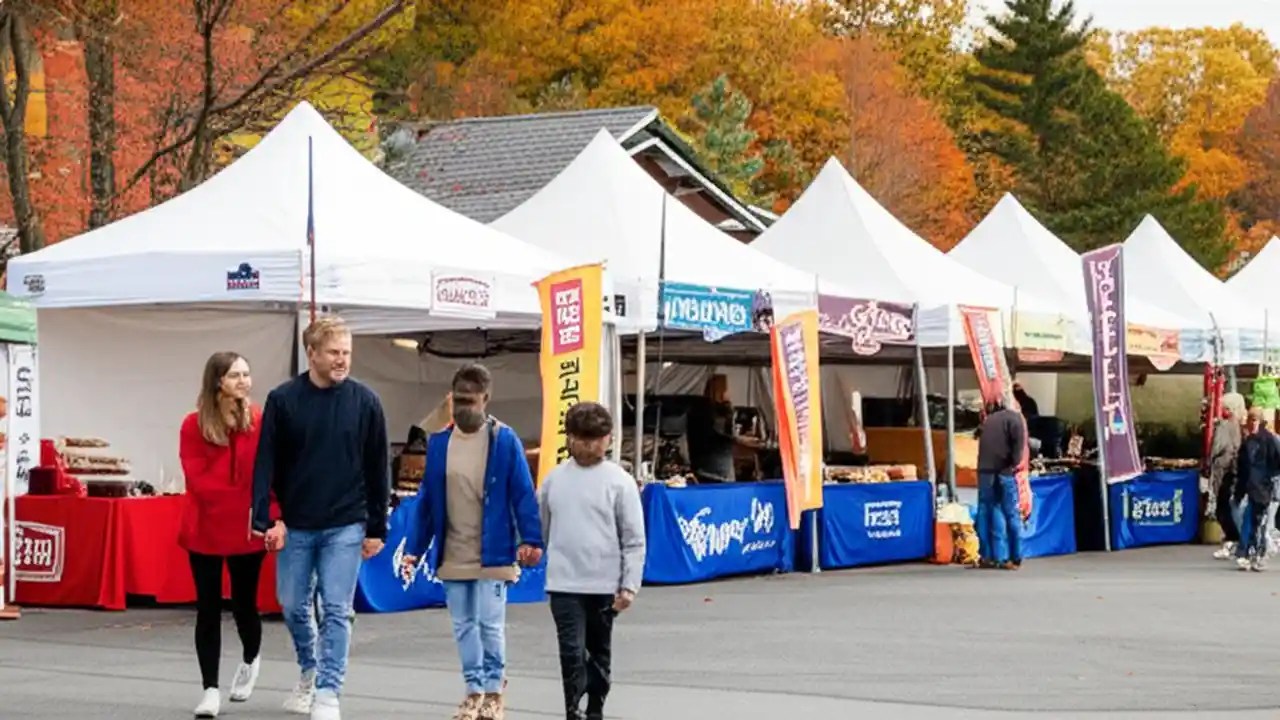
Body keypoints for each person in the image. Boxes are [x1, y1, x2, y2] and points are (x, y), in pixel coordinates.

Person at [251, 316, 390, 720]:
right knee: (292, 604)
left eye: (347, 352)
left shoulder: (366, 402)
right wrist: (265, 517)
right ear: (311, 353)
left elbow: (378, 466)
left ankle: (329, 689)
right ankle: (310, 668)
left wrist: (377, 527)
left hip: (346, 523)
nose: (342, 360)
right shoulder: (283, 400)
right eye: (333, 352)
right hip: (296, 522)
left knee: (336, 607)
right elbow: (266, 463)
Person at [401, 363, 543, 720]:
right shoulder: (438, 443)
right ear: (451, 399)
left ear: (486, 400)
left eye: (472, 401)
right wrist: (414, 550)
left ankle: (495, 689)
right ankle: (472, 690)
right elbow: (427, 502)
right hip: (453, 549)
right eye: (459, 400)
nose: (465, 408)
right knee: (463, 624)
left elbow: (523, 493)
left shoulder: (504, 440)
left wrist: (531, 538)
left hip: (493, 548)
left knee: (489, 623)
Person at [179, 352, 278, 719]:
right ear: (218, 380)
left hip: (246, 526)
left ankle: (251, 657)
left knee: (243, 603)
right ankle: (209, 689)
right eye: (235, 375)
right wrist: (238, 500)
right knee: (207, 607)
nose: (244, 381)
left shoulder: (259, 420)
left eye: (247, 374)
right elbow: (197, 477)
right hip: (204, 526)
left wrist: (270, 514)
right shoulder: (193, 424)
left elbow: (268, 471)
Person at [537, 402, 646, 720]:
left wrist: (630, 584)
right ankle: (573, 707)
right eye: (583, 439)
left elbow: (634, 538)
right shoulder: (553, 480)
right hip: (564, 582)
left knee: (599, 652)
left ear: (609, 439)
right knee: (571, 650)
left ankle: (595, 706)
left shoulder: (620, 482)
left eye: (597, 439)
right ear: (569, 439)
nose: (590, 446)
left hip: (604, 583)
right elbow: (540, 527)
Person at [974, 397, 1025, 570]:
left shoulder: (989, 421)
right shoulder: (1016, 419)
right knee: (1011, 513)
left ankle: (989, 556)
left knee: (987, 510)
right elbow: (1018, 450)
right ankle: (1014, 557)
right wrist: (1013, 464)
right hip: (1004, 471)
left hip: (985, 470)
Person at [1233, 407, 1280, 571]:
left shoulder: (1265, 441)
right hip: (1254, 486)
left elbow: (1275, 464)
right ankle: (1253, 553)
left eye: (1255, 420)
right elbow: (1242, 469)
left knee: (1254, 521)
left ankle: (1250, 552)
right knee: (1254, 520)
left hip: (1261, 486)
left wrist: (1270, 481)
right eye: (1251, 420)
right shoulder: (1249, 442)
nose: (1253, 423)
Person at [1209, 393, 1246, 560]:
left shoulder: (1225, 426)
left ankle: (1233, 540)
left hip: (1225, 471)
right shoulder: (1240, 426)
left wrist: (1212, 460)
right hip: (1235, 471)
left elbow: (1219, 448)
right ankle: (1234, 540)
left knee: (1222, 508)